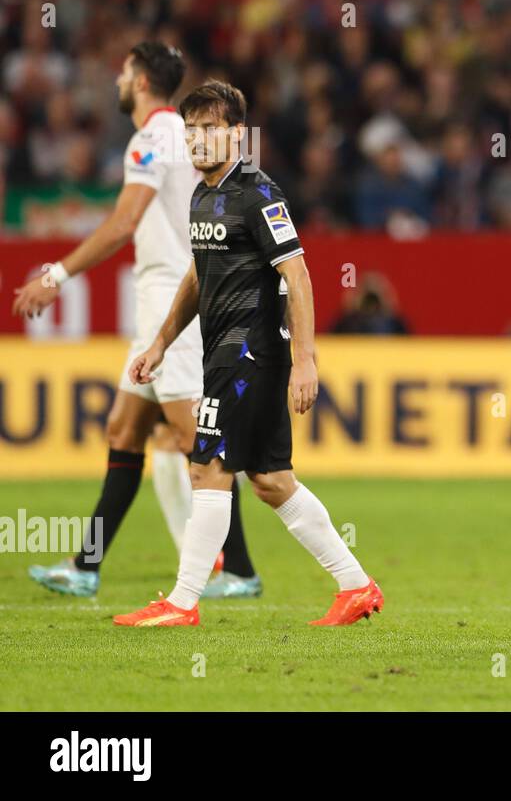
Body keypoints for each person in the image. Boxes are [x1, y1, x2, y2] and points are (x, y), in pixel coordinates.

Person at [113, 80, 382, 627]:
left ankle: (183, 602)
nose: (198, 139)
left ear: (237, 134)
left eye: (210, 129)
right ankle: (356, 586)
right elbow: (197, 273)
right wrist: (162, 341)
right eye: (191, 130)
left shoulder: (258, 193)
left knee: (208, 467)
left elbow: (298, 274)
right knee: (270, 481)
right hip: (221, 350)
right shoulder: (202, 194)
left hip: (250, 353)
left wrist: (305, 360)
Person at [14, 42, 260, 600]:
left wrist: (55, 275)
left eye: (125, 71)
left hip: (171, 301)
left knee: (196, 440)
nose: (119, 78)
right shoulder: (183, 134)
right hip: (174, 293)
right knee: (125, 431)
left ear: (143, 81)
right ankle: (86, 565)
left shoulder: (150, 138)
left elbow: (125, 222)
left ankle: (238, 569)